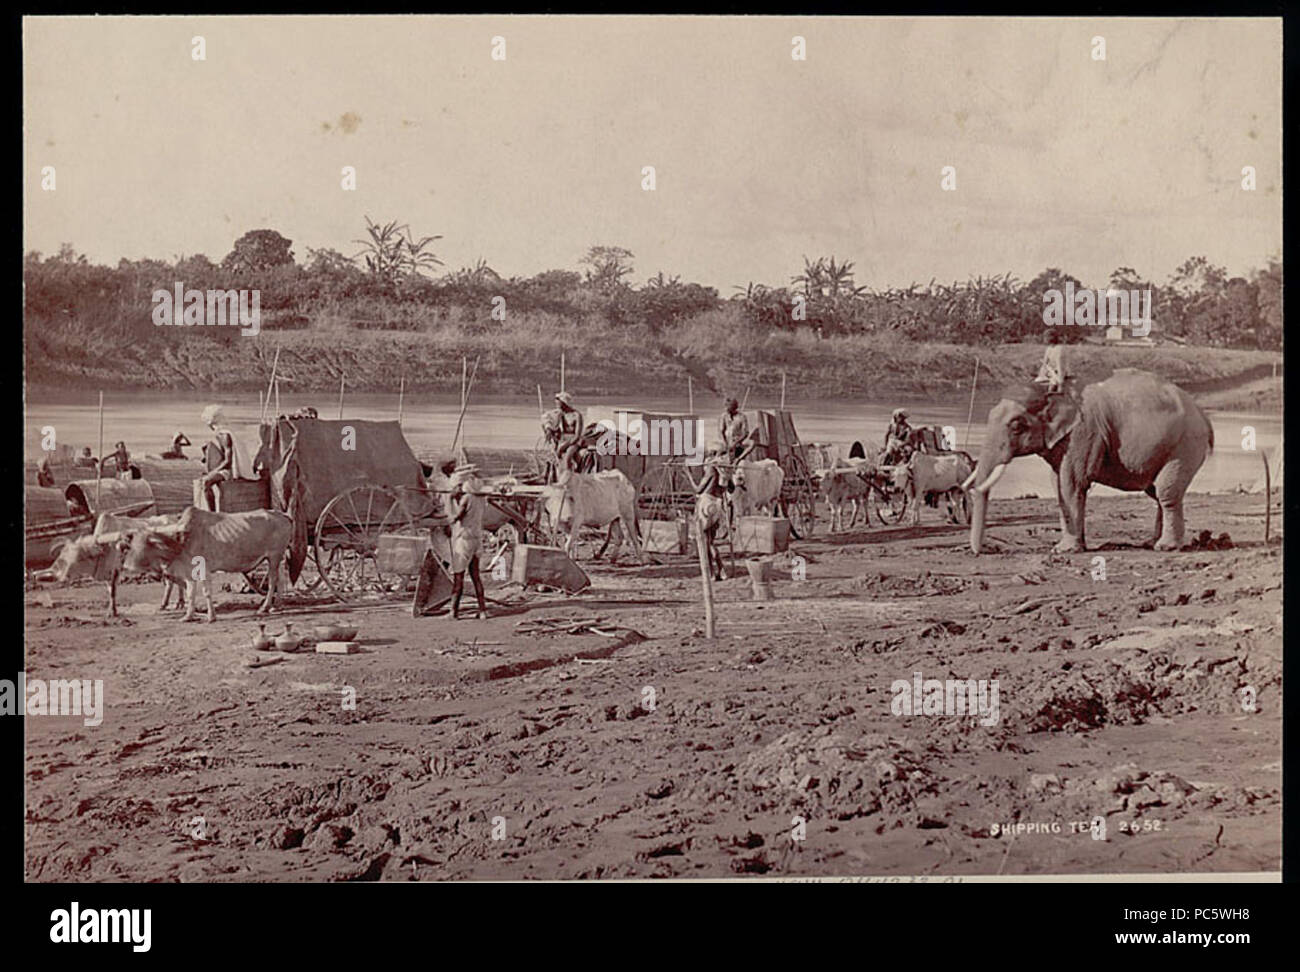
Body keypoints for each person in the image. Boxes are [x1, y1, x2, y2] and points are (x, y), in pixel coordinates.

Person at [447, 464, 488, 620]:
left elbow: (456, 518)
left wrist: (450, 500)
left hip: (465, 540)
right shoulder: (481, 499)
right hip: (478, 540)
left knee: (459, 577)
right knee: (476, 576)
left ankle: (453, 612)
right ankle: (483, 610)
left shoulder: (467, 499)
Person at [199, 404, 256, 510]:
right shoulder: (218, 435)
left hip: (228, 471)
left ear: (212, 423)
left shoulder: (225, 436)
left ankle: (212, 512)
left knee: (206, 482)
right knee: (204, 478)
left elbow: (228, 461)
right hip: (222, 469)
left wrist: (212, 473)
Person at [541, 391, 585, 479]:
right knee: (551, 457)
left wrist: (564, 446)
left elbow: (577, 436)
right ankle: (550, 477)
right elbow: (547, 420)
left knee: (568, 457)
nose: (557, 405)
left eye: (559, 403)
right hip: (563, 439)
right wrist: (548, 429)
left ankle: (567, 479)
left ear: (564, 403)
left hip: (574, 441)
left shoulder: (577, 415)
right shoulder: (560, 414)